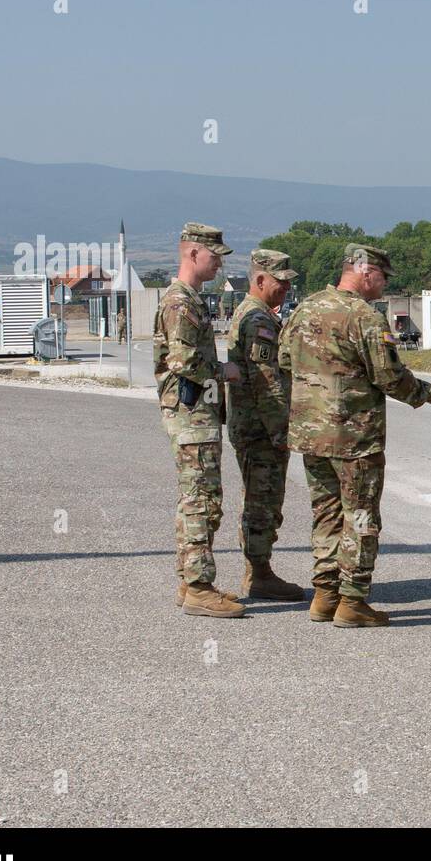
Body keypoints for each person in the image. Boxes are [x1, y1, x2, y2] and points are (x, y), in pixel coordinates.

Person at [278, 243, 431, 627]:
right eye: (383, 277)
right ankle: (353, 601)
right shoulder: (365, 318)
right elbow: (391, 378)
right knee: (359, 516)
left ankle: (325, 595)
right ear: (366, 272)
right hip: (354, 440)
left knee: (325, 515)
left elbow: (284, 360)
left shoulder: (305, 308)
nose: (384, 285)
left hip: (311, 435)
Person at [153, 222, 243, 618]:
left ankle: (191, 581)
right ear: (192, 254)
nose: (218, 266)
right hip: (192, 416)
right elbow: (184, 360)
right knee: (201, 501)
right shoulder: (180, 302)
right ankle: (199, 588)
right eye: (213, 258)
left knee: (200, 498)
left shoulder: (188, 298)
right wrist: (225, 371)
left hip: (197, 414)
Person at [227, 250, 303, 602]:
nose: (286, 287)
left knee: (259, 497)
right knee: (263, 500)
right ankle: (259, 573)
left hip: (254, 426)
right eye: (280, 281)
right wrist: (281, 431)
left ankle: (257, 569)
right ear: (260, 280)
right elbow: (266, 381)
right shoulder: (257, 320)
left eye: (289, 282)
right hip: (261, 428)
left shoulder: (255, 315)